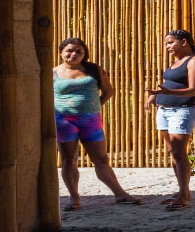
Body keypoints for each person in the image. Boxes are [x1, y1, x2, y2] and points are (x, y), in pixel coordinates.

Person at [53, 38, 142, 210]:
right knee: (69, 159)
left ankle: (120, 194)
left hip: (90, 121)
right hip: (64, 121)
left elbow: (109, 91)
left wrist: (95, 106)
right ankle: (74, 198)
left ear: (84, 54)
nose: (74, 54)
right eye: (70, 50)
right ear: (61, 52)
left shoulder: (93, 70)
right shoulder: (54, 73)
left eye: (79, 51)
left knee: (101, 158)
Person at [145, 30, 195, 212]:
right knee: (173, 152)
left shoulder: (194, 61)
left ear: (184, 42)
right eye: (166, 44)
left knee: (179, 153)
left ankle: (184, 194)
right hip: (164, 111)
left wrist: (168, 93)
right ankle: (182, 190)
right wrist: (153, 98)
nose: (167, 47)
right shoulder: (176, 62)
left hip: (182, 111)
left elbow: (193, 90)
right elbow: (167, 83)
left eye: (171, 43)